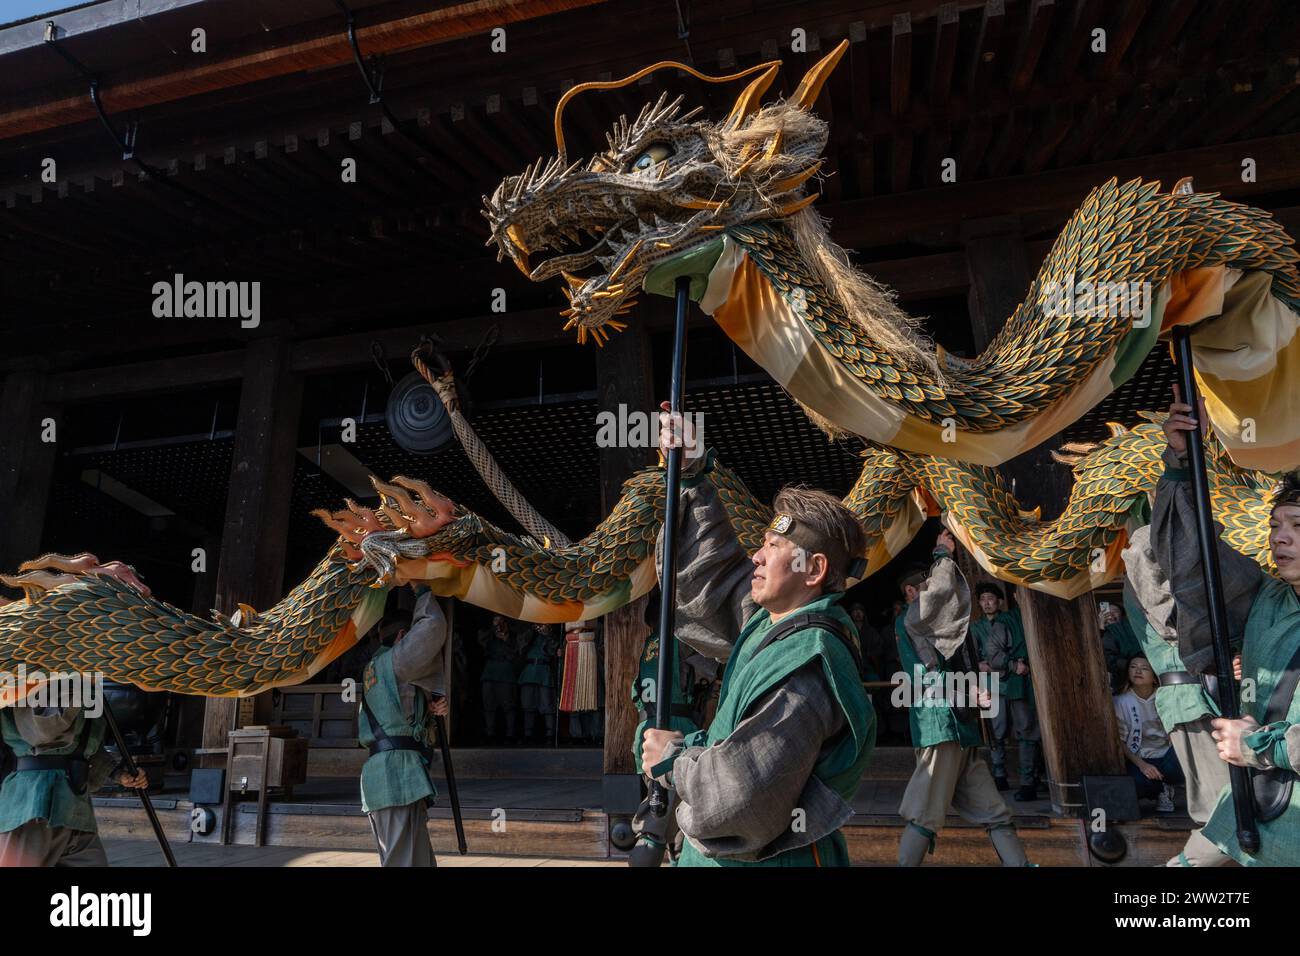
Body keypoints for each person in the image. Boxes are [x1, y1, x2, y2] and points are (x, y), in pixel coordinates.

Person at [638, 405, 875, 866]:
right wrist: (690, 471)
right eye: (762, 545)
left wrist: (674, 757)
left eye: (773, 547)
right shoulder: (772, 627)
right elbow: (709, 573)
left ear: (814, 569)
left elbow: (744, 795)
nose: (756, 559)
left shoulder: (807, 659)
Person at [1153, 393, 1300, 866]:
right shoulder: (1268, 598)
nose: (1280, 537)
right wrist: (1180, 459)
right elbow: (1198, 567)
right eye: (1277, 524)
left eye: (1297, 525)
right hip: (1254, 793)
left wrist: (1258, 745)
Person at [894, 532, 1030, 866]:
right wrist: (942, 552)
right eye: (922, 589)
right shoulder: (912, 619)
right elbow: (928, 676)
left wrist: (973, 690)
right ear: (914, 593)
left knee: (995, 811)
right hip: (939, 724)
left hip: (960, 728)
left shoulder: (933, 626)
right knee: (924, 812)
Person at [1117, 525, 1230, 862]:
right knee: (1221, 809)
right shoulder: (1144, 553)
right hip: (1189, 697)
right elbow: (1175, 620)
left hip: (1200, 695)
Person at [0, 686, 150, 867]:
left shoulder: (83, 684)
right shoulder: (27, 677)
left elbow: (85, 745)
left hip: (75, 808)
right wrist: (77, 680)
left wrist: (119, 773)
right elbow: (47, 729)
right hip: (33, 803)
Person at [358, 586, 448, 867]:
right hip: (395, 774)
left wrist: (431, 710)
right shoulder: (398, 660)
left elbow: (400, 715)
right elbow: (433, 627)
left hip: (393, 773)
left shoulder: (377, 665)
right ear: (402, 637)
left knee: (416, 860)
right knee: (402, 862)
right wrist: (423, 590)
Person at [627, 595, 715, 866]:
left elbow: (635, 693)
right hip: (676, 731)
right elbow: (711, 669)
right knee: (668, 815)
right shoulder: (683, 644)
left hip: (645, 734)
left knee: (659, 806)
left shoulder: (647, 647)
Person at [972, 583, 1041, 798]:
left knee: (1025, 727)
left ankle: (1030, 777)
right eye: (983, 599)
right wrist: (979, 666)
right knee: (996, 729)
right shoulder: (975, 627)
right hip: (990, 681)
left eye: (991, 598)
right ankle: (999, 773)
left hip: (1013, 679)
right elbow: (970, 656)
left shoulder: (1011, 620)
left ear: (1000, 602)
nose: (987, 603)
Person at [1113, 655, 1183, 813]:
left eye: (1144, 668)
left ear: (1154, 676)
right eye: (1133, 667)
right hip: (1140, 756)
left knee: (1180, 760)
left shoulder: (1165, 696)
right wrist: (1142, 765)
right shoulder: (1120, 702)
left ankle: (1167, 785)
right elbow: (1120, 741)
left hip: (1166, 754)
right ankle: (1160, 789)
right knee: (1136, 785)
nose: (1138, 671)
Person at [477, 613, 519, 744]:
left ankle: (510, 734)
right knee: (489, 705)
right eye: (496, 619)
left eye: (501, 620)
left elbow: (516, 652)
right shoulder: (487, 634)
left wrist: (506, 638)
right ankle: (490, 734)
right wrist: (492, 630)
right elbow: (481, 641)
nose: (498, 623)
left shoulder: (513, 636)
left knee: (509, 706)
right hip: (489, 672)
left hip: (506, 673)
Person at [517, 622, 560, 744]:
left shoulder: (552, 636)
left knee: (547, 704)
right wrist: (532, 630)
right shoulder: (528, 634)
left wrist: (548, 634)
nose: (540, 626)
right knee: (527, 705)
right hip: (529, 671)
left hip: (544, 671)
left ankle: (550, 735)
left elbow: (552, 651)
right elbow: (520, 647)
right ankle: (527, 734)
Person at [1101, 603, 1144, 693]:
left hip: (1139, 671)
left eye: (1115, 611)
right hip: (1117, 680)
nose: (1111, 614)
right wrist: (1100, 626)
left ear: (1122, 615)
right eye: (1107, 611)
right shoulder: (1099, 632)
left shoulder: (1131, 628)